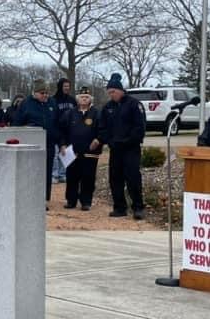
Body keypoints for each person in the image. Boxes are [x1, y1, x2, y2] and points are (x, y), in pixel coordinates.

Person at [91, 73, 146, 219]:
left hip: (131, 148)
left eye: (113, 92)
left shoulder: (134, 104)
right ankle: (119, 207)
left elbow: (139, 127)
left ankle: (138, 207)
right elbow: (102, 128)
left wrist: (128, 140)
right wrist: (106, 140)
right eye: (109, 93)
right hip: (115, 149)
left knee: (133, 178)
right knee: (115, 179)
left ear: (121, 90)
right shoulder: (107, 107)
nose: (111, 95)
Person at [13, 79, 59, 206]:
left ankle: (44, 199)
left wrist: (59, 141)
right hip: (31, 144)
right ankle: (30, 198)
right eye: (42, 93)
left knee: (47, 171)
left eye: (47, 93)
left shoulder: (52, 103)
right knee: (31, 172)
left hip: (49, 143)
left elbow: (57, 123)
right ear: (35, 92)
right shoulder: (25, 104)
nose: (45, 95)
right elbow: (17, 123)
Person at [60, 86, 100, 211]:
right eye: (82, 97)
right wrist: (62, 144)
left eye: (86, 97)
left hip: (90, 152)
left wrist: (98, 139)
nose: (84, 99)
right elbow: (62, 131)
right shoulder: (69, 113)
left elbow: (103, 129)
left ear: (90, 99)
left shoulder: (96, 113)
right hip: (73, 152)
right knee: (72, 177)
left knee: (88, 177)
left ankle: (86, 202)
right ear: (77, 99)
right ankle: (71, 201)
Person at [52, 79, 77, 182]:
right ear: (60, 87)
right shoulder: (53, 100)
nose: (67, 88)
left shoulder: (72, 100)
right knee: (56, 152)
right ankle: (54, 175)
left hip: (68, 129)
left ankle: (63, 174)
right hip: (56, 128)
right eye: (65, 86)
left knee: (66, 152)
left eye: (68, 86)